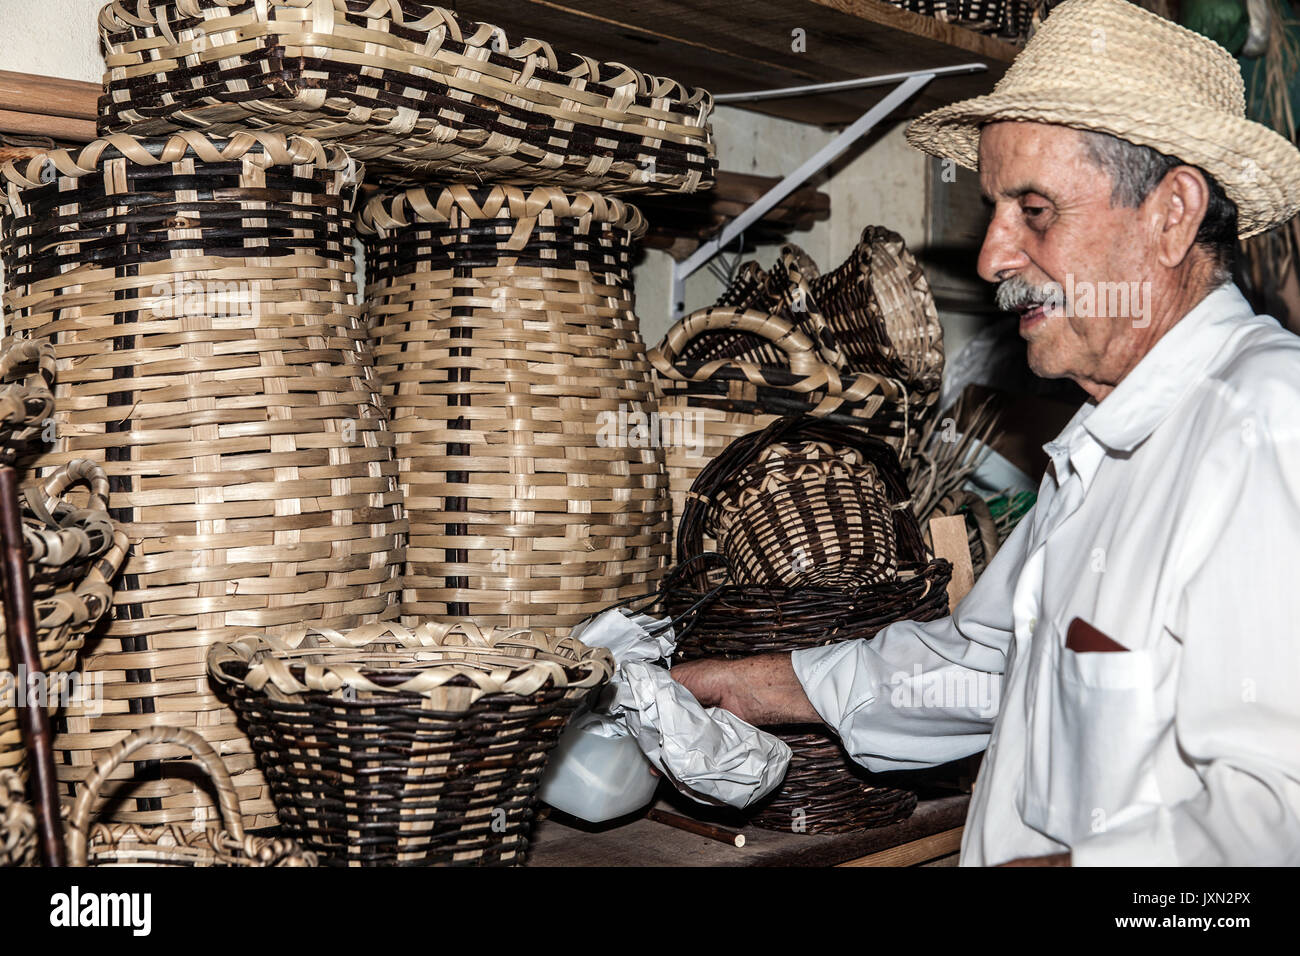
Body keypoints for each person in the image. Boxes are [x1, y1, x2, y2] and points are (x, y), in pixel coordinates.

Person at [671, 0, 1300, 866]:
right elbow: (986, 667)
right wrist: (741, 687)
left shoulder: (1266, 426)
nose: (993, 257)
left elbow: (1275, 818)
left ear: (1172, 215)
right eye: (995, 208)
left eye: (1034, 209)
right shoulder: (1113, 438)